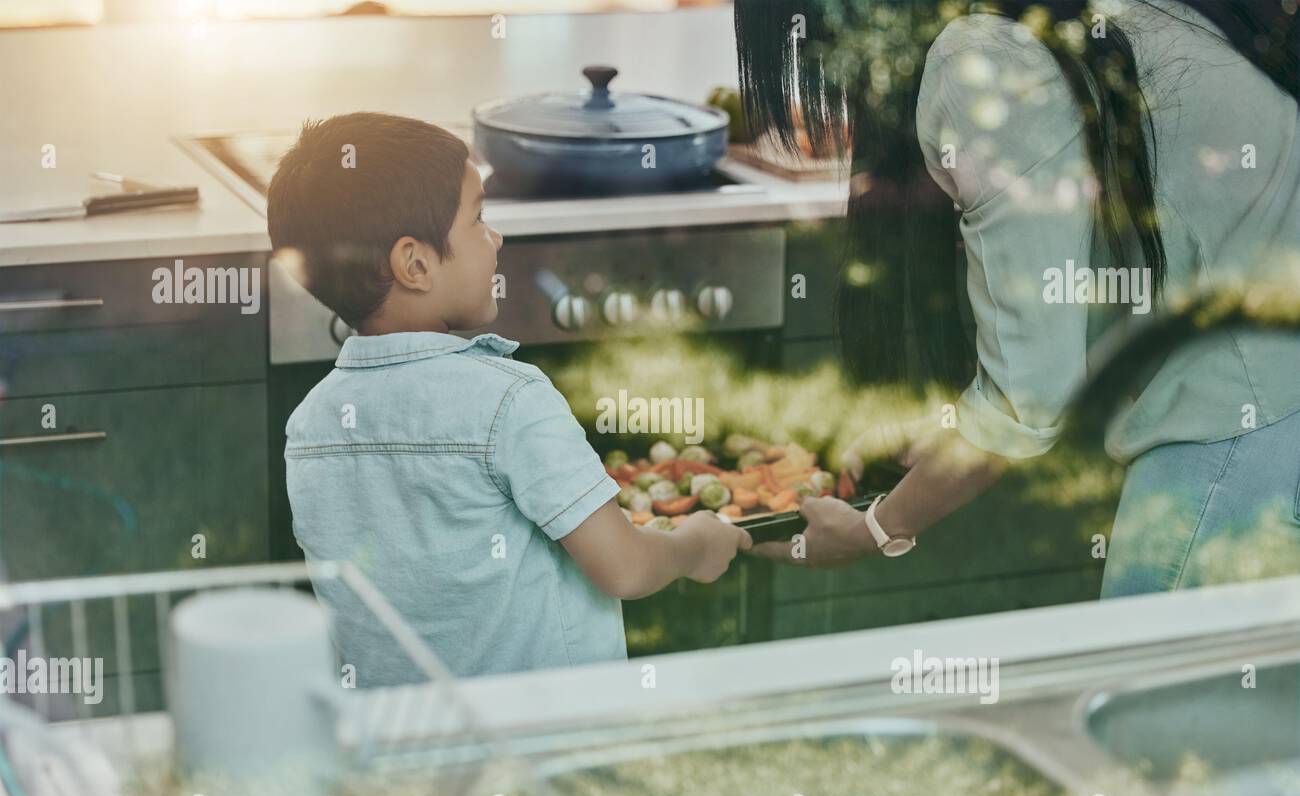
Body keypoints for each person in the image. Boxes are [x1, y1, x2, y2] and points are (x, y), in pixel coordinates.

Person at [736, 0, 1300, 593]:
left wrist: (877, 528)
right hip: (1273, 415)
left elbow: (1029, 400)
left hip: (1246, 436)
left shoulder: (984, 55)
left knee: (1156, 682)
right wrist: (956, 426)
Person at [269, 113, 750, 682]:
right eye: (477, 218)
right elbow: (624, 567)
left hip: (399, 746)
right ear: (414, 264)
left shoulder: (309, 429)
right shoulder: (511, 402)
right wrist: (695, 546)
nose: (495, 238)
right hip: (544, 746)